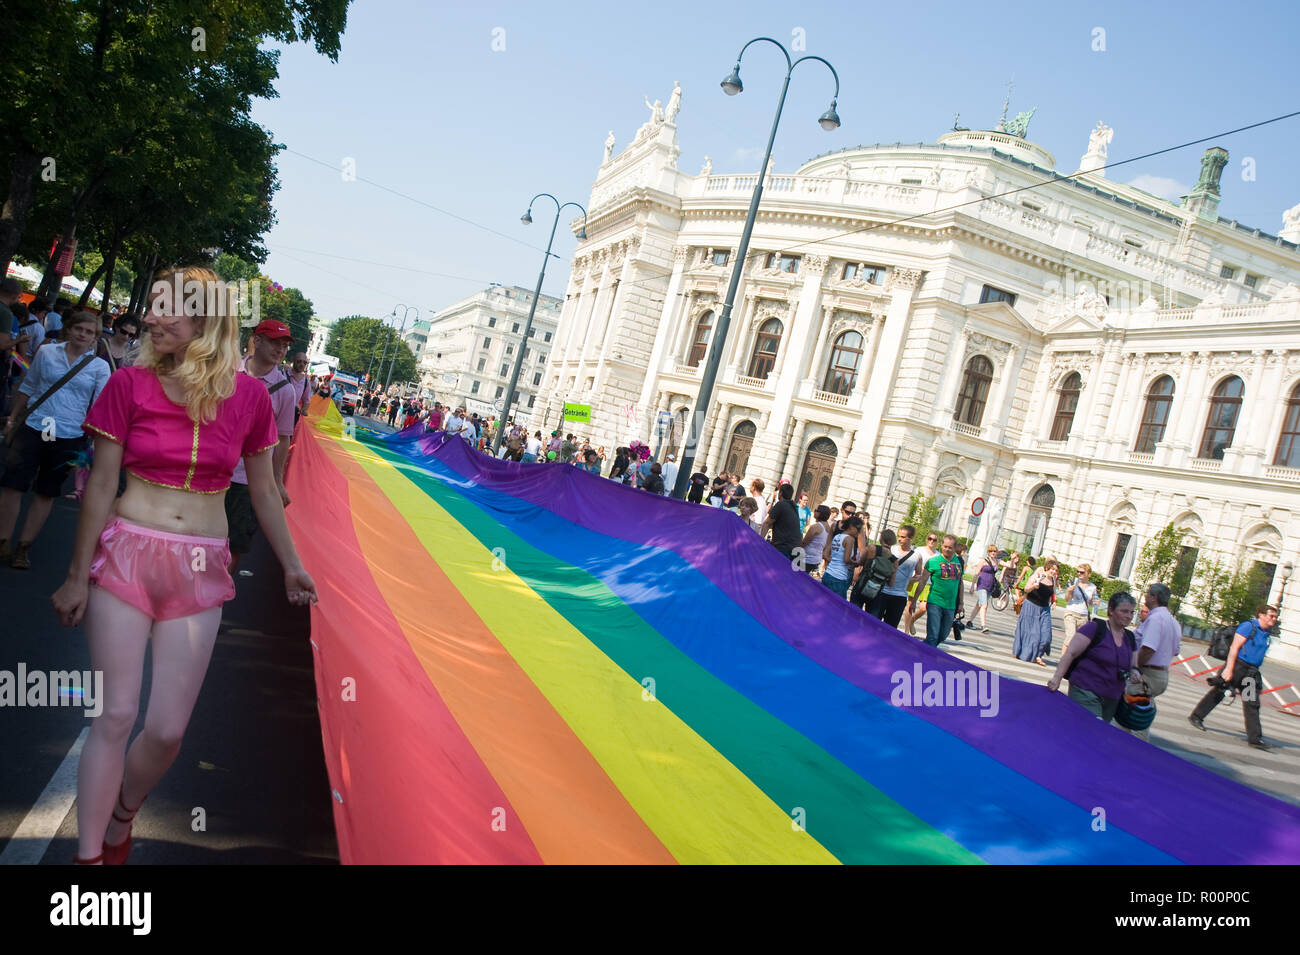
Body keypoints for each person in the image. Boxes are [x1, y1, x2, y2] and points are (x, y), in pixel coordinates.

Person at [53, 265, 316, 865]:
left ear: (204, 319)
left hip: (201, 566)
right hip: (126, 552)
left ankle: (123, 814)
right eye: (149, 308)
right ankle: (90, 859)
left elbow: (265, 491)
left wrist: (291, 564)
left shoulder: (249, 397)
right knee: (115, 713)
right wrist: (75, 575)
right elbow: (99, 485)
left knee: (168, 729)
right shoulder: (128, 384)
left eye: (163, 308)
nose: (148, 318)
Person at [0, 311, 111, 568]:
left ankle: (23, 547)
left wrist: (94, 439)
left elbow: (99, 405)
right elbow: (29, 385)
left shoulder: (99, 367)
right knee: (12, 484)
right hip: (34, 424)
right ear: (69, 329)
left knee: (46, 492)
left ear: (95, 337)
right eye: (79, 329)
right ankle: (3, 540)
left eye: (89, 332)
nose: (83, 335)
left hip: (69, 434)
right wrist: (12, 418)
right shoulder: (47, 353)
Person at [224, 320, 297, 572]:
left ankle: (217, 595)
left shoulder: (285, 392)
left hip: (248, 481)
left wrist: (276, 481)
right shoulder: (227, 370)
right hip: (214, 472)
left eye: (285, 345)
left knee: (235, 544)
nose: (281, 350)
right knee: (200, 535)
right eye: (276, 343)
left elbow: (283, 437)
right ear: (257, 341)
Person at [1189, 604, 1279, 751]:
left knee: (1252, 702)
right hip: (1238, 666)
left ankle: (1255, 739)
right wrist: (1229, 670)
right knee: (1219, 692)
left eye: (1275, 617)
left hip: (1250, 672)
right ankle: (1196, 717)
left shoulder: (1266, 632)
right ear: (1261, 615)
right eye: (1271, 616)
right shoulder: (1249, 626)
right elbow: (1234, 648)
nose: (1274, 619)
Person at [1048, 592, 1139, 723]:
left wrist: (1135, 672)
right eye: (1124, 611)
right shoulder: (1094, 628)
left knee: (1094, 736)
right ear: (1111, 610)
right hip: (1085, 691)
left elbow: (1134, 665)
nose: (1129, 616)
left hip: (1112, 698)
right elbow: (1070, 653)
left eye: (1131, 612)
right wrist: (1057, 678)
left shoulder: (1130, 638)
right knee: (1088, 728)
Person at [1127, 582, 1180, 738]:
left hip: (1147, 673)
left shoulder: (1156, 619)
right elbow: (1176, 650)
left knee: (1133, 718)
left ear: (1154, 597)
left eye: (1147, 594)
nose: (1145, 597)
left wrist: (1135, 667)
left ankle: (1132, 752)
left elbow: (1149, 648)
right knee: (1138, 714)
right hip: (1160, 674)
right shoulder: (1173, 621)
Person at [911, 534, 966, 646]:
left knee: (943, 635)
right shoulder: (933, 562)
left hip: (950, 605)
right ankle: (923, 661)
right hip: (934, 602)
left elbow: (960, 583)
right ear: (942, 545)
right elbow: (922, 582)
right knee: (933, 636)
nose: (947, 549)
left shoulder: (959, 562)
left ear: (955, 548)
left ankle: (921, 650)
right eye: (945, 546)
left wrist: (961, 603)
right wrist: (914, 600)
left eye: (950, 547)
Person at [870, 524, 919, 627]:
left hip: (900, 595)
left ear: (910, 538)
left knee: (891, 627)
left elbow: (918, 573)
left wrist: (914, 579)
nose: (899, 539)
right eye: (898, 536)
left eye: (902, 537)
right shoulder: (892, 549)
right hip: (883, 591)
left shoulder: (916, 556)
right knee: (873, 623)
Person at [1012, 557, 1059, 665]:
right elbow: (1026, 589)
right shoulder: (1038, 576)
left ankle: (1038, 654)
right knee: (1033, 634)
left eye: (1056, 570)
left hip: (1044, 609)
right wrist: (1034, 585)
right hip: (1031, 606)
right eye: (1052, 569)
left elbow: (1053, 592)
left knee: (1046, 636)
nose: (1054, 572)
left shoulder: (1053, 579)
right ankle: (1036, 656)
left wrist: (1054, 601)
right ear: (1047, 568)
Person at [901, 532, 939, 636]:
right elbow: (913, 561)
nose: (931, 541)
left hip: (928, 583)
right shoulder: (919, 550)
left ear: (937, 542)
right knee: (909, 605)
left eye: (934, 540)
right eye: (930, 538)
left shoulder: (938, 555)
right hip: (915, 580)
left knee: (923, 608)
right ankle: (906, 630)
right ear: (927, 539)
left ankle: (912, 620)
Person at [821, 514, 863, 598]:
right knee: (837, 606)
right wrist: (856, 562)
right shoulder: (850, 539)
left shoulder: (837, 536)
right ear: (851, 526)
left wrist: (834, 561)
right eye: (858, 529)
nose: (859, 533)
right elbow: (846, 559)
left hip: (828, 574)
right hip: (839, 578)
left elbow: (825, 554)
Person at [761, 482, 803, 563]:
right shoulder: (793, 507)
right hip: (796, 547)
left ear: (780, 493)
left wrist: (759, 540)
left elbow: (767, 523)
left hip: (784, 547)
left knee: (775, 570)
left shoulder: (781, 504)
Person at [1061, 563, 1099, 645]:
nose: (1079, 574)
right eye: (1078, 571)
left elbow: (1091, 602)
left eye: (1082, 572)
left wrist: (1095, 602)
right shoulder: (1074, 583)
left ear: (1088, 574)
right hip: (1071, 613)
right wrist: (1069, 591)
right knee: (1070, 637)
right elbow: (1067, 600)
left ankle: (1072, 657)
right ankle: (1064, 657)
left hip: (1083, 617)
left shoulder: (1093, 587)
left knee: (1079, 641)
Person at [970, 546, 1000, 632]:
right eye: (991, 551)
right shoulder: (983, 561)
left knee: (979, 605)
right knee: (984, 605)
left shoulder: (997, 561)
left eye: (994, 551)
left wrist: (1012, 559)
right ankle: (983, 625)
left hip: (990, 586)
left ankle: (969, 621)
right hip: (982, 585)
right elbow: (976, 573)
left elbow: (1009, 565)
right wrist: (972, 586)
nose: (993, 553)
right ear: (988, 552)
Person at [798, 504, 832, 575]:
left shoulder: (816, 526)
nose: (814, 511)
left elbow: (804, 542)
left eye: (816, 510)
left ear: (820, 513)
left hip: (806, 558)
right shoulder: (829, 528)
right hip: (816, 559)